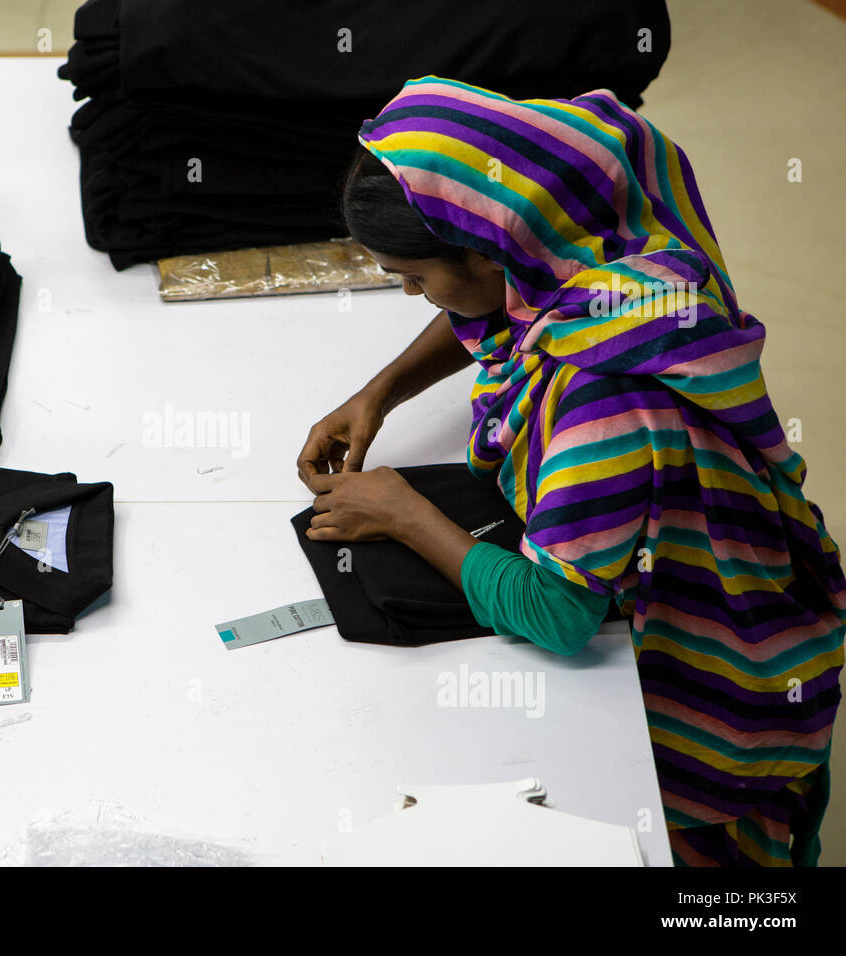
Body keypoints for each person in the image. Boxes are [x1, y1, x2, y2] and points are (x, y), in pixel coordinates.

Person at [297, 76, 846, 866]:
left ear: (488, 248)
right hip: (754, 577)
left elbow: (558, 616)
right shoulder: (625, 261)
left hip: (720, 693)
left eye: (415, 278)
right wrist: (377, 393)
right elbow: (508, 307)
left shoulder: (601, 408)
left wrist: (403, 513)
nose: (416, 297)